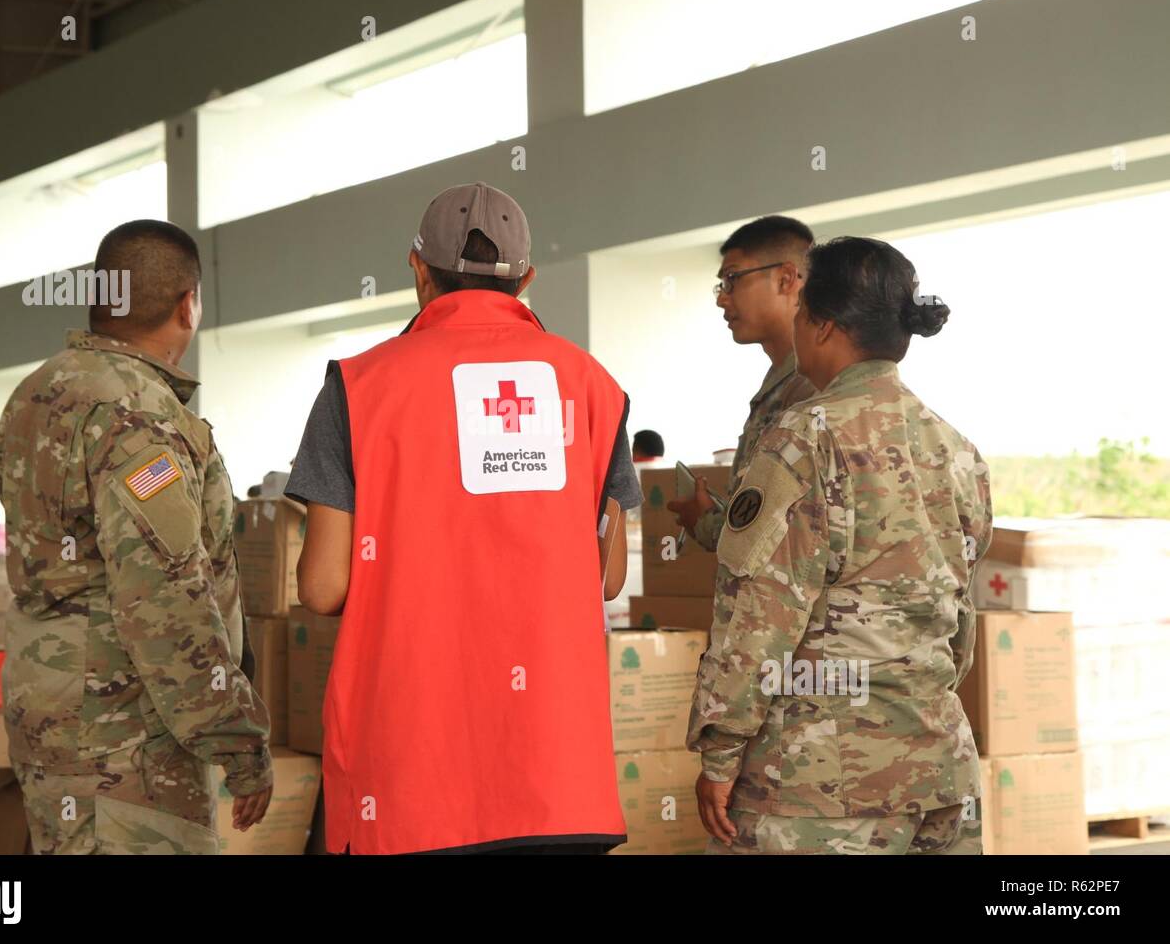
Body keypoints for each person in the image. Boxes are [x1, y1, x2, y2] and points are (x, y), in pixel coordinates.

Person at [287, 182, 641, 855]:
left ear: (417, 269)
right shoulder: (592, 386)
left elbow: (323, 586)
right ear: (527, 280)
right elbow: (607, 576)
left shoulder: (358, 387)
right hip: (559, 784)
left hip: (409, 787)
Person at [687, 236, 992, 855]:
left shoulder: (802, 438)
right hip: (940, 770)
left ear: (822, 326)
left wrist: (720, 752)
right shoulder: (956, 447)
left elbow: (758, 615)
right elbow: (960, 617)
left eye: (802, 315)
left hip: (821, 786)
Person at [0, 219, 272, 855]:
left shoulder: (35, 394)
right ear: (187, 304)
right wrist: (237, 737)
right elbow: (164, 597)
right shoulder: (138, 414)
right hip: (126, 736)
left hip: (50, 712)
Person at [667, 216, 817, 544]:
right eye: (721, 285)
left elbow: (787, 527)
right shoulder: (783, 380)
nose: (722, 298)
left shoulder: (811, 385)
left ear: (786, 279)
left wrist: (707, 522)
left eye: (733, 279)